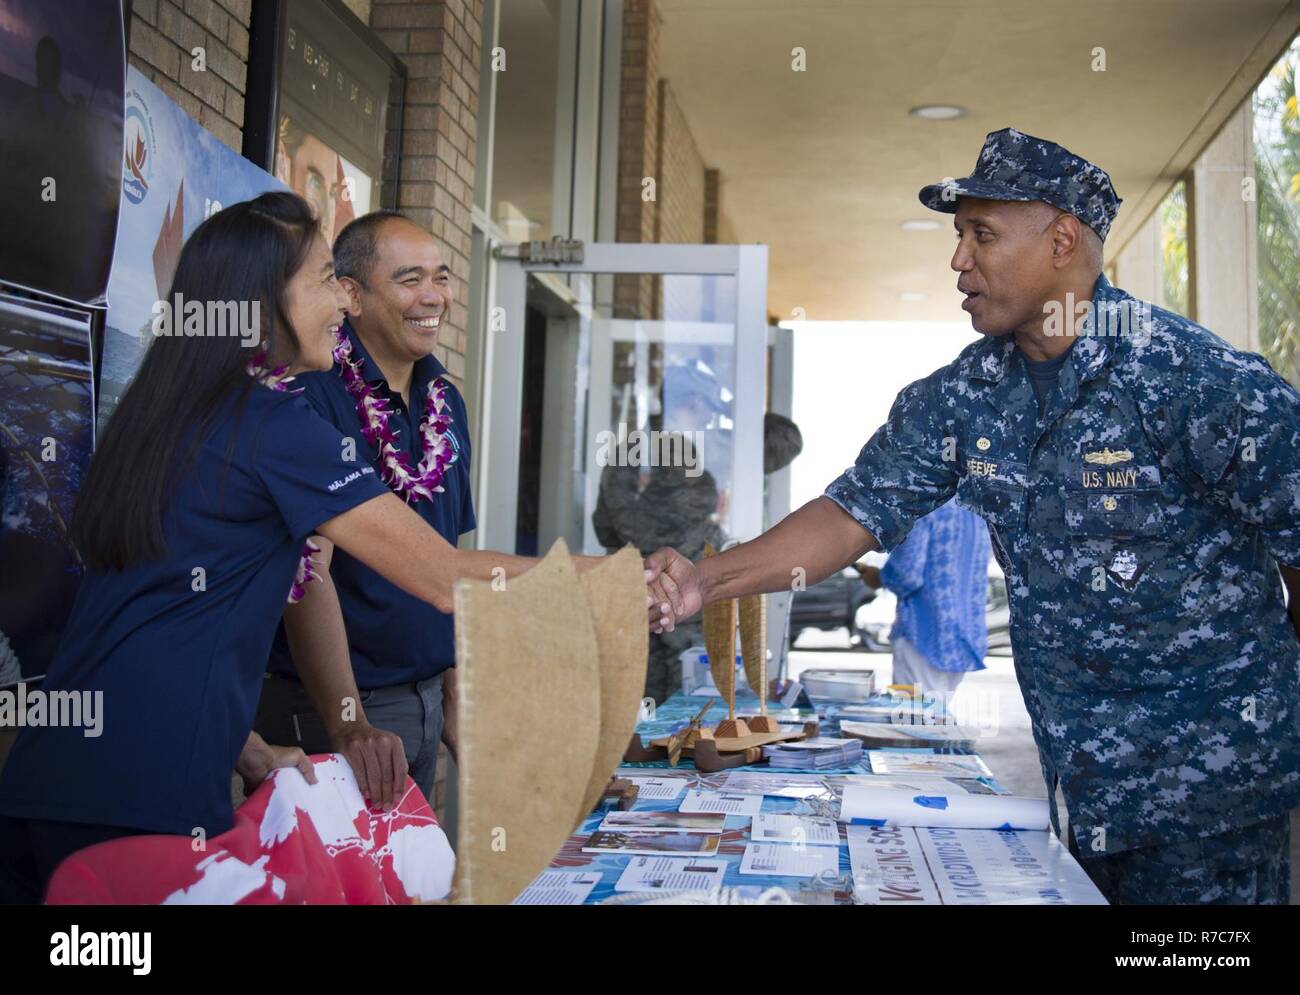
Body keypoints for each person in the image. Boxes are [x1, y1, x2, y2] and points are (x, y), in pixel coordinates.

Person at [645, 128, 1300, 905]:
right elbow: (852, 513)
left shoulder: (1198, 381)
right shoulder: (963, 396)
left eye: (981, 235)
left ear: (1062, 240)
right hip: (1072, 791)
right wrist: (702, 580)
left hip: (1212, 801)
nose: (959, 260)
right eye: (959, 236)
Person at [0, 192, 601, 904]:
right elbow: (441, 577)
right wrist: (618, 577)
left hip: (55, 783)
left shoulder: (168, 411)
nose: (342, 304)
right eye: (324, 279)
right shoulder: (274, 424)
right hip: (144, 807)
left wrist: (250, 748)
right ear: (260, 302)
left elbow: (154, 618)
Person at [255, 210, 472, 806]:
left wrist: (453, 696)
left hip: (424, 697)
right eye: (409, 279)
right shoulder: (306, 395)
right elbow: (305, 574)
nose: (433, 296)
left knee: (406, 890)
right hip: (341, 712)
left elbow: (452, 555)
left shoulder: (446, 401)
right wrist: (347, 718)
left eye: (441, 276)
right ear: (350, 293)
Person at [855, 498, 991, 699]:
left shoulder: (926, 506)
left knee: (913, 721)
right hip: (964, 636)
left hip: (924, 635)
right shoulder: (979, 509)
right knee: (935, 717)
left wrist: (879, 578)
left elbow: (906, 575)